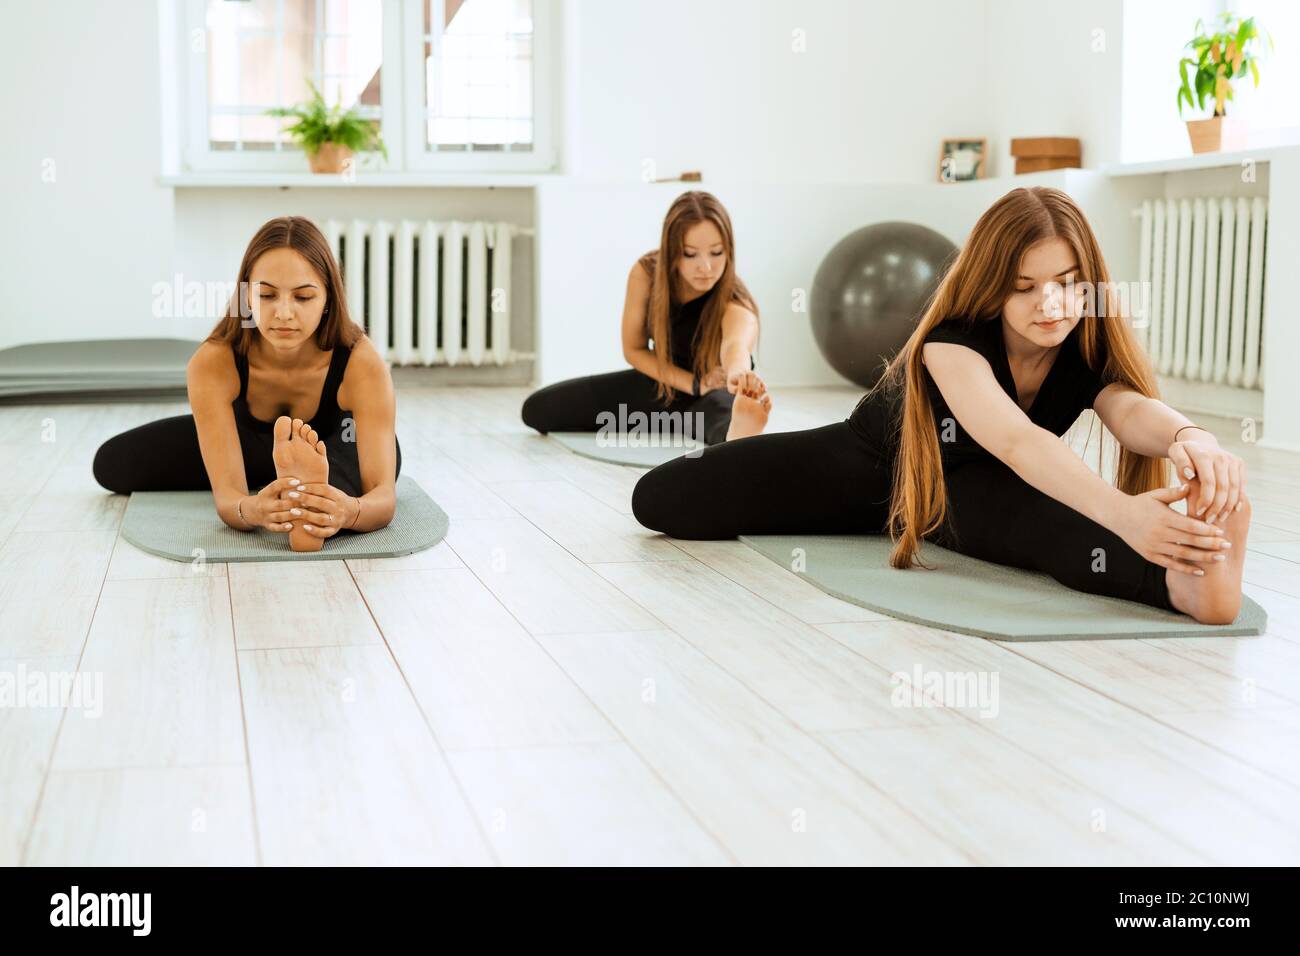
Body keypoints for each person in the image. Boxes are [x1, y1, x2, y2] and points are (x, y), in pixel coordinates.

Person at [630, 187, 1250, 625]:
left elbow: (1127, 407)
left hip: (954, 493)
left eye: (1066, 281)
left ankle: (1186, 586)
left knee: (1049, 531)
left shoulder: (1077, 346)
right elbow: (1016, 439)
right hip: (866, 466)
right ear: (991, 286)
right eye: (1025, 287)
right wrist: (1125, 513)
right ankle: (742, 441)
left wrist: (1189, 437)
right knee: (661, 498)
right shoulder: (952, 343)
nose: (1051, 303)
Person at [93, 215, 402, 553]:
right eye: (267, 295)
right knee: (112, 463)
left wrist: (349, 512)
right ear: (246, 296)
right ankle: (287, 488)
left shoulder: (362, 363)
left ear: (329, 298)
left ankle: (309, 498)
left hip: (335, 444)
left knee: (383, 456)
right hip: (241, 446)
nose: (284, 313)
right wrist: (250, 508)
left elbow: (383, 498)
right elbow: (229, 503)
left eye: (303, 297)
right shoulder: (213, 362)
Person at [521, 190, 771, 447]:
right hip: (663, 385)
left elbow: (735, 346)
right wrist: (694, 385)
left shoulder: (736, 301)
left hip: (714, 393)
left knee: (723, 421)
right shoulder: (647, 273)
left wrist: (739, 375)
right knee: (538, 409)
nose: (705, 267)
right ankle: (678, 422)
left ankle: (736, 437)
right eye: (690, 253)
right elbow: (633, 348)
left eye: (716, 253)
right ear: (673, 251)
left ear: (728, 250)